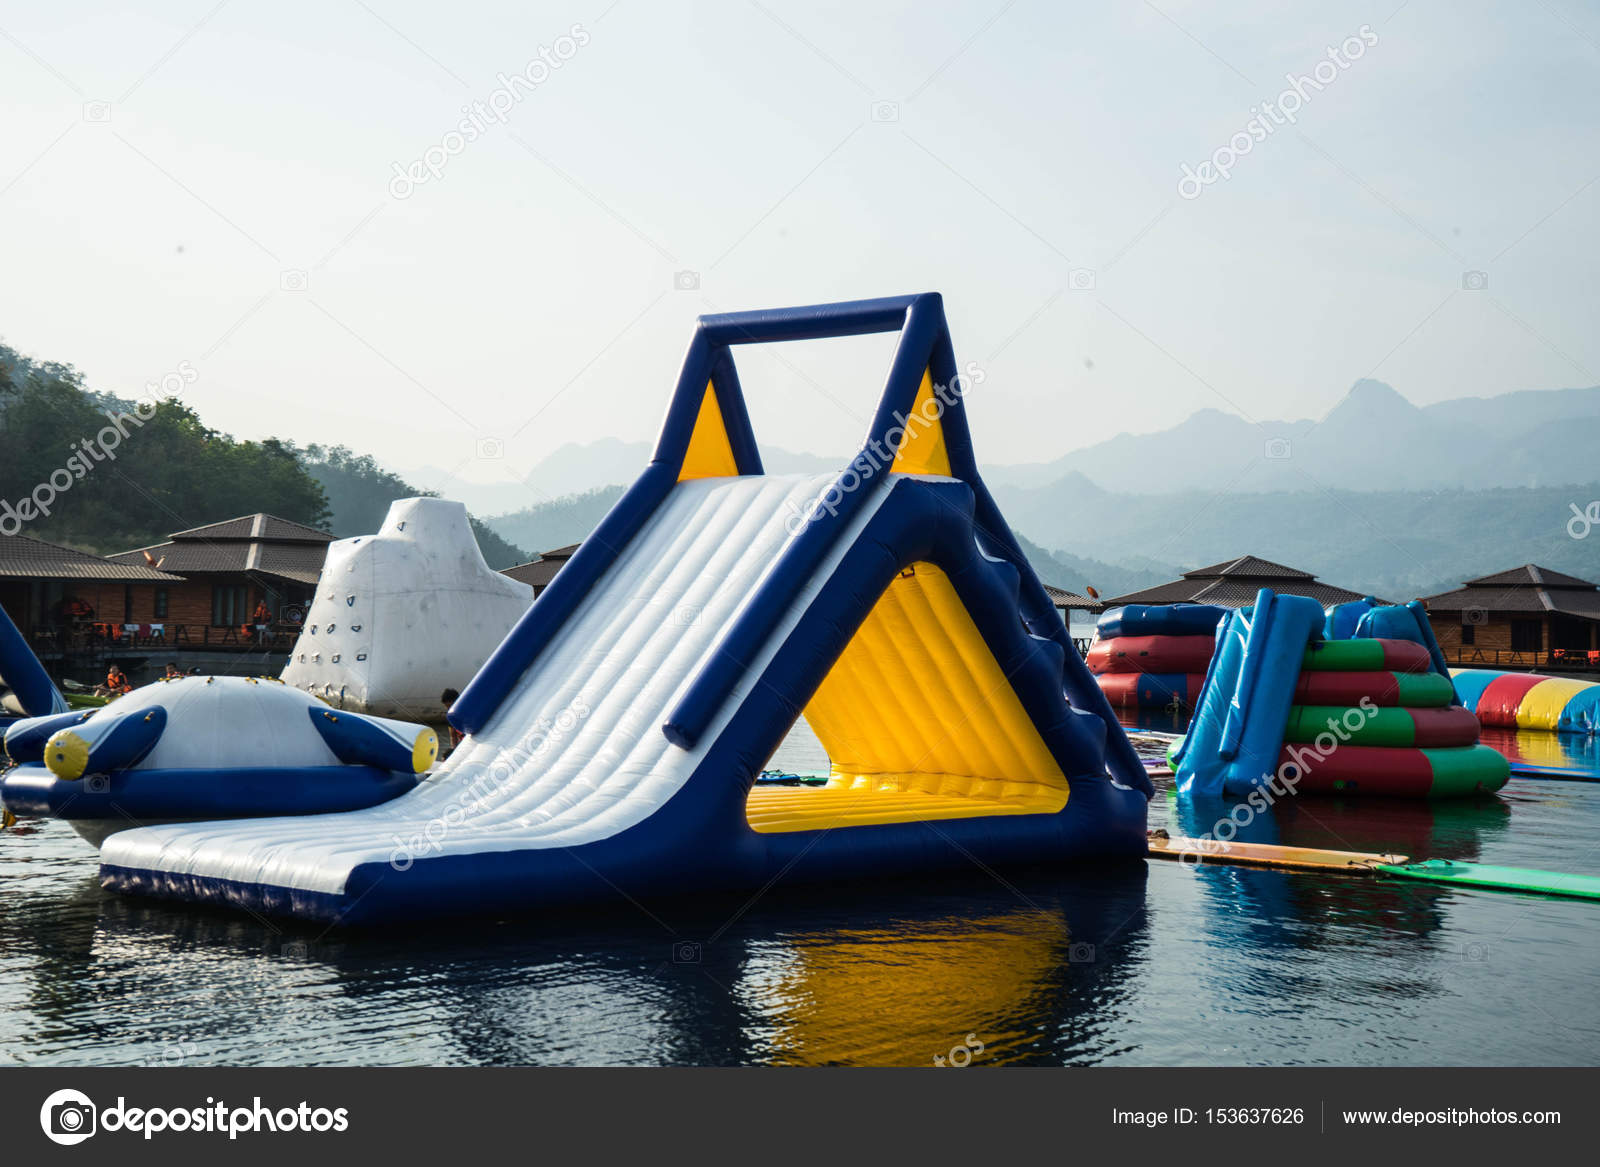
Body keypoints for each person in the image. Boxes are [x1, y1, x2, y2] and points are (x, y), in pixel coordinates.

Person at [440, 688, 464, 752]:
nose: (449, 709)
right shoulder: (451, 717)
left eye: (449, 706)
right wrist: (453, 750)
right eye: (446, 707)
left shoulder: (467, 712)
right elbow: (453, 736)